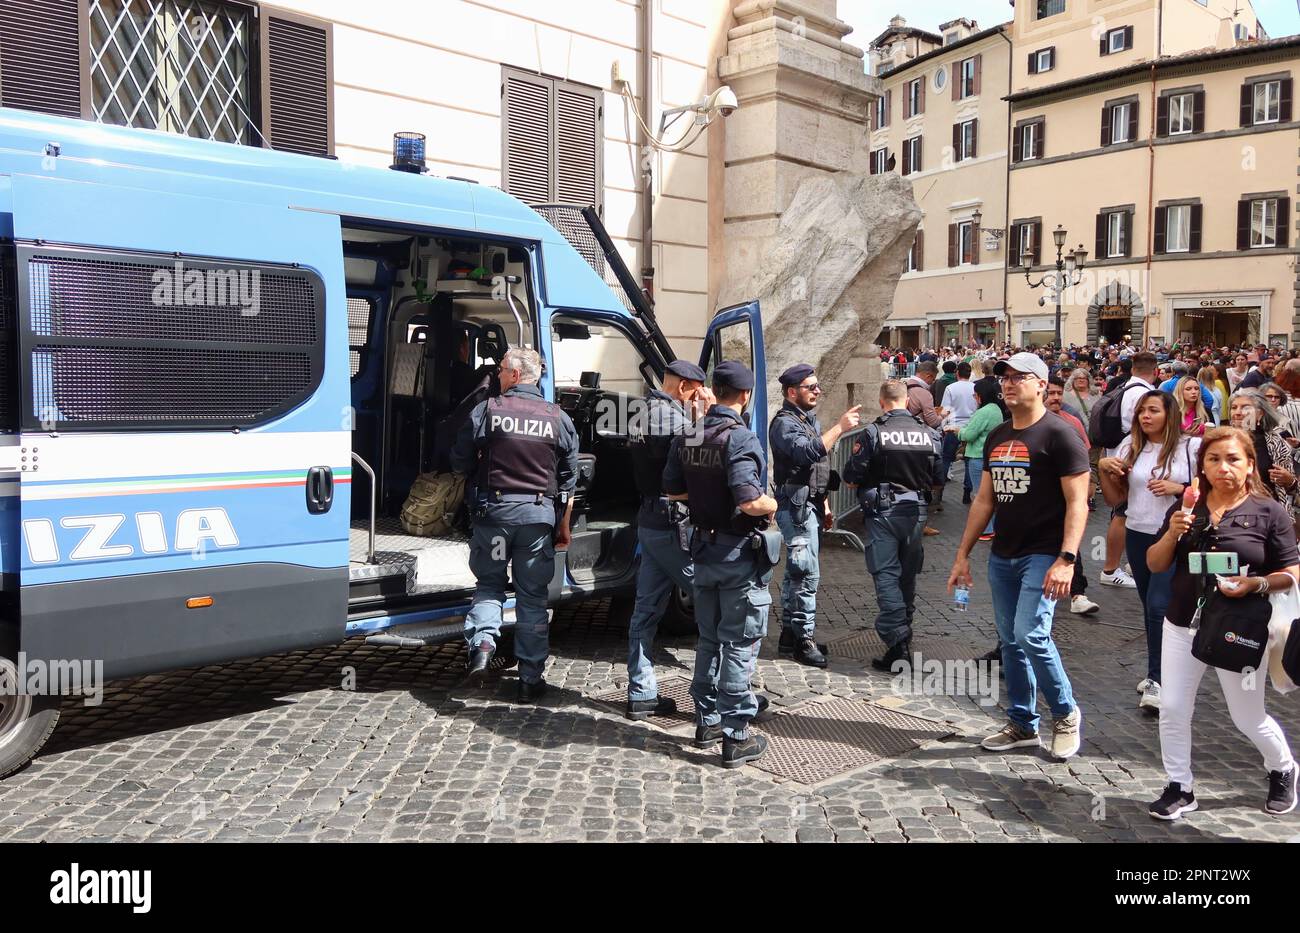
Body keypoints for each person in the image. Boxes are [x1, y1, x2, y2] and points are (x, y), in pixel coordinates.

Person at [1143, 427, 1298, 819]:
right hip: (1183, 622)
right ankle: (1180, 786)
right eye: (1213, 460)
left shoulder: (1269, 511)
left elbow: (1292, 571)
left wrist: (1256, 583)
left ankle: (1282, 768)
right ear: (1203, 466)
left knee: (1247, 716)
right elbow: (1155, 564)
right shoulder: (1188, 506)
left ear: (1249, 465)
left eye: (1233, 459)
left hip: (1239, 628)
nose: (1223, 467)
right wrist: (1172, 535)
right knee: (1174, 707)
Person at [948, 352, 1087, 761]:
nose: (1008, 383)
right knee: (1010, 641)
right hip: (1004, 554)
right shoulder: (998, 435)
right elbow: (983, 500)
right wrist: (962, 555)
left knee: (1031, 634)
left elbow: (1079, 502)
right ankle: (1023, 724)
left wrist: (1067, 557)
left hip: (1044, 554)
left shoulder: (1061, 434)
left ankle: (1065, 713)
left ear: (1042, 384)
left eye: (1019, 377)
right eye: (1004, 377)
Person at [664, 360, 777, 768]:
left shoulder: (691, 433)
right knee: (740, 642)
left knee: (709, 639)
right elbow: (749, 500)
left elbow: (673, 491)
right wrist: (773, 503)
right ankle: (736, 734)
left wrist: (703, 499)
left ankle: (706, 720)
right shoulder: (741, 438)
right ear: (745, 396)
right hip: (736, 555)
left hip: (703, 551)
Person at [453, 347, 580, 701]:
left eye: (500, 370)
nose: (496, 375)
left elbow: (460, 458)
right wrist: (563, 523)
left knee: (490, 585)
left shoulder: (487, 410)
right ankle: (529, 679)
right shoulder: (557, 417)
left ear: (513, 374)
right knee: (532, 599)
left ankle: (481, 648)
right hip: (536, 521)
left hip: (494, 517)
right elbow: (570, 477)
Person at [1099, 390, 1200, 713]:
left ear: (1168, 414)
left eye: (1153, 410)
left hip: (1175, 535)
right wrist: (1103, 469)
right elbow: (1116, 501)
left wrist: (1179, 489)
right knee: (1150, 607)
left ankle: (1158, 678)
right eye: (1142, 411)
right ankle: (1162, 669)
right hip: (1138, 532)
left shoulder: (1191, 447)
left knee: (1158, 606)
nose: (1145, 416)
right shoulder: (1131, 446)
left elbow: (1210, 489)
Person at [624, 359, 712, 720]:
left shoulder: (638, 413)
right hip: (675, 523)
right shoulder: (678, 423)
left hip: (648, 519)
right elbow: (698, 467)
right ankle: (722, 695)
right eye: (696, 392)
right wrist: (703, 418)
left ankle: (641, 691)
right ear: (684, 389)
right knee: (713, 601)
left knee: (645, 611)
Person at [842, 380, 941, 670]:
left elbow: (852, 476)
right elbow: (938, 478)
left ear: (882, 400)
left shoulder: (875, 432)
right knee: (907, 574)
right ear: (908, 401)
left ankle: (897, 639)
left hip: (883, 512)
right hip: (917, 512)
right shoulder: (928, 433)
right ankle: (904, 633)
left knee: (885, 573)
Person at [768, 363, 862, 668]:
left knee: (800, 572)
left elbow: (816, 467)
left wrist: (824, 503)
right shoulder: (784, 423)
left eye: (817, 385)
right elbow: (806, 453)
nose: (818, 391)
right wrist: (840, 427)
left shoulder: (806, 420)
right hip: (794, 511)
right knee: (806, 574)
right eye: (811, 387)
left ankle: (791, 636)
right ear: (792, 392)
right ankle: (803, 641)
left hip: (808, 506)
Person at [1100, 351, 1160, 589]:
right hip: (1128, 459)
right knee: (1123, 514)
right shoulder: (1143, 393)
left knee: (1123, 513)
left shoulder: (1125, 388)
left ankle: (1124, 564)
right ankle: (1111, 568)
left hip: (1118, 455)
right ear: (1155, 371)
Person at [1046, 376, 1100, 616]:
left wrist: (1090, 483)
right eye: (1051, 393)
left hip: (1067, 495)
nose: (1056, 398)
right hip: (1039, 497)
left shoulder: (1072, 422)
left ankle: (1078, 593)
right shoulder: (1027, 423)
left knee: (1071, 543)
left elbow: (1085, 458)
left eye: (1059, 393)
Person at [1230, 391, 1297, 516]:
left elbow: (1293, 489)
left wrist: (1289, 481)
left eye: (1245, 408)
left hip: (1267, 516)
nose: (1237, 413)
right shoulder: (1221, 442)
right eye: (1234, 408)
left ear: (1259, 414)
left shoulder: (1275, 443)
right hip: (1230, 516)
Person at [959, 380, 1004, 543]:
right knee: (991, 494)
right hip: (993, 455)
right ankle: (993, 527)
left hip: (978, 456)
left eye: (975, 395)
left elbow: (969, 435)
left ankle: (986, 529)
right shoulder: (996, 409)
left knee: (980, 495)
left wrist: (958, 432)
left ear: (980, 396)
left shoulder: (983, 412)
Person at [907, 361, 947, 533]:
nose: (932, 382)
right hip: (918, 440)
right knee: (923, 483)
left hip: (899, 439)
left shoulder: (902, 385)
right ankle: (921, 523)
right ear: (929, 375)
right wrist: (942, 416)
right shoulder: (924, 393)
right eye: (933, 378)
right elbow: (932, 421)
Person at [943, 362, 979, 504]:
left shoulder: (951, 388)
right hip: (970, 427)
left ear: (957, 373)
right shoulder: (975, 388)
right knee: (968, 460)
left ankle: (939, 490)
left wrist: (944, 426)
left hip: (953, 426)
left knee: (946, 458)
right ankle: (967, 492)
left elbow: (945, 410)